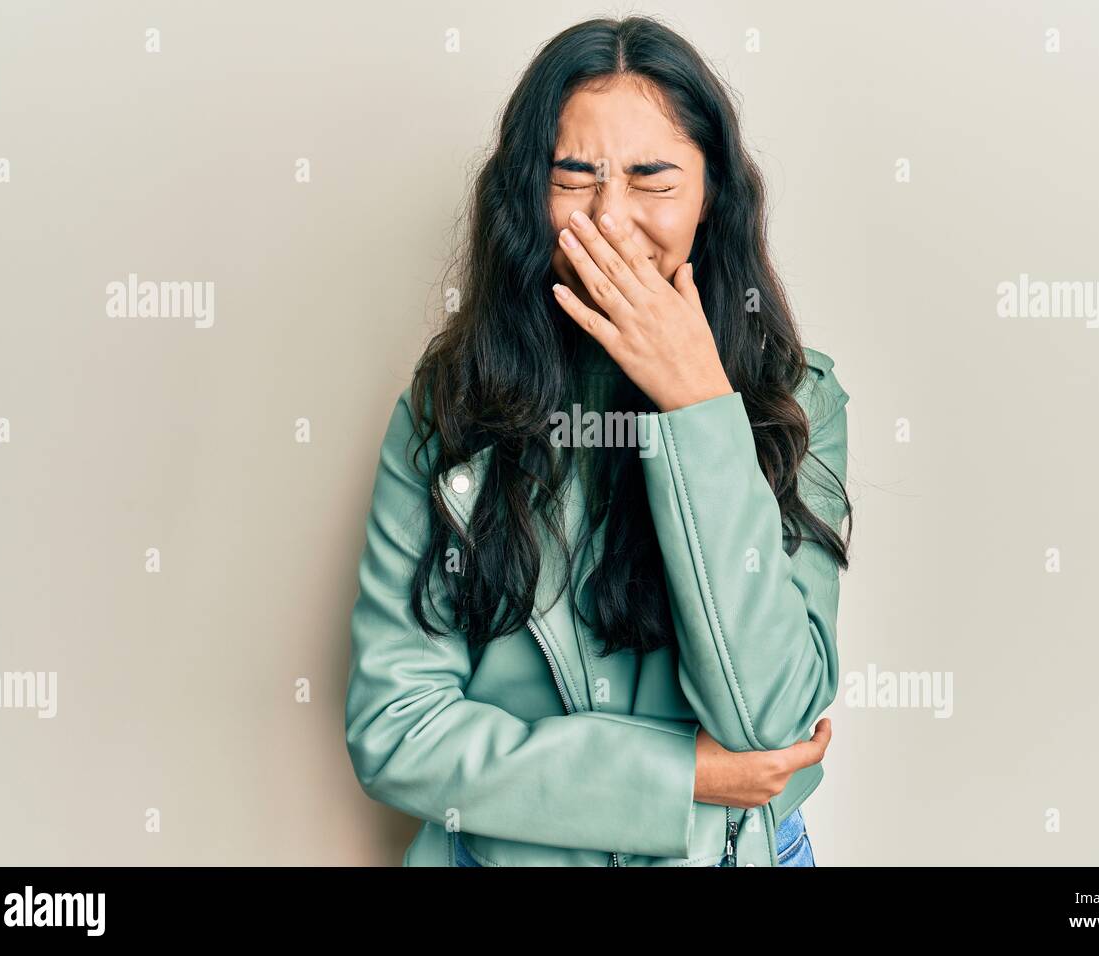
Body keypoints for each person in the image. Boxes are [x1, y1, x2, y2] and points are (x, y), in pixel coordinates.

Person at [345, 14, 851, 867]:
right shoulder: (450, 408)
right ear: (526, 198)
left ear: (711, 195)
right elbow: (398, 729)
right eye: (573, 178)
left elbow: (767, 722)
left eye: (654, 179)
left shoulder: (797, 402)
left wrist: (698, 407)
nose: (610, 219)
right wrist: (675, 776)